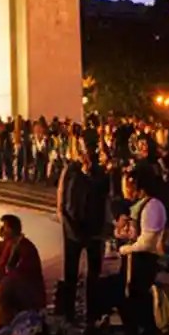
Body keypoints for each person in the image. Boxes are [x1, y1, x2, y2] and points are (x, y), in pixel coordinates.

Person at [114, 163, 168, 335]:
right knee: (130, 299)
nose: (126, 190)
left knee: (139, 300)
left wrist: (126, 249)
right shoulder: (137, 207)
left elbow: (147, 242)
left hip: (144, 261)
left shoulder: (153, 206)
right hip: (133, 260)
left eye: (128, 185)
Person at [56, 136, 110, 323]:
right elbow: (61, 198)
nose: (86, 154)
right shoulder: (70, 170)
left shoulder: (101, 173)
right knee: (70, 272)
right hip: (72, 227)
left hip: (94, 229)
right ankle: (68, 313)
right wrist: (65, 221)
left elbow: (105, 197)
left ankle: (92, 314)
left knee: (94, 275)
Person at [0, 214, 45, 330]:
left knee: (5, 286)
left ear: (11, 229)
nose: (1, 231)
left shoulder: (25, 247)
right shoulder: (6, 245)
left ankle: (0, 326)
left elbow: (18, 274)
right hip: (14, 283)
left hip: (28, 293)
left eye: (4, 227)